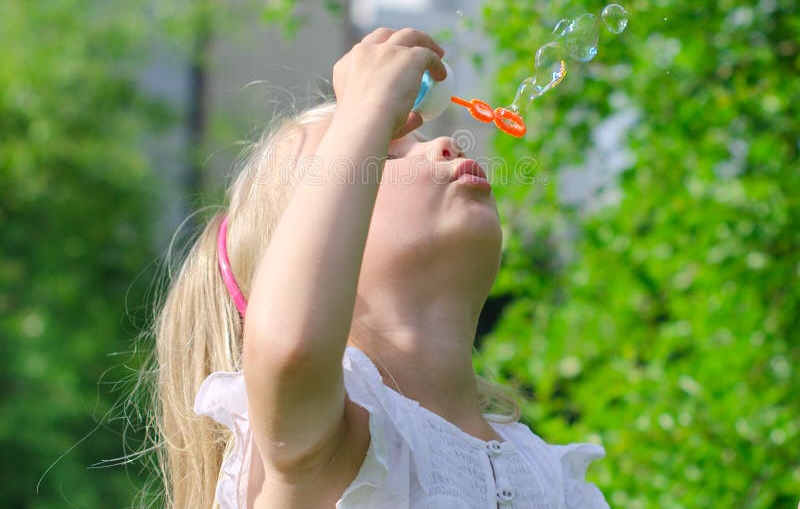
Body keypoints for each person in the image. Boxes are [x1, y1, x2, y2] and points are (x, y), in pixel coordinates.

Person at [151, 27, 610, 508]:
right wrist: (365, 106)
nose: (444, 143)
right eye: (384, 156)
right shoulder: (331, 445)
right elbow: (292, 348)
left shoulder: (553, 475)